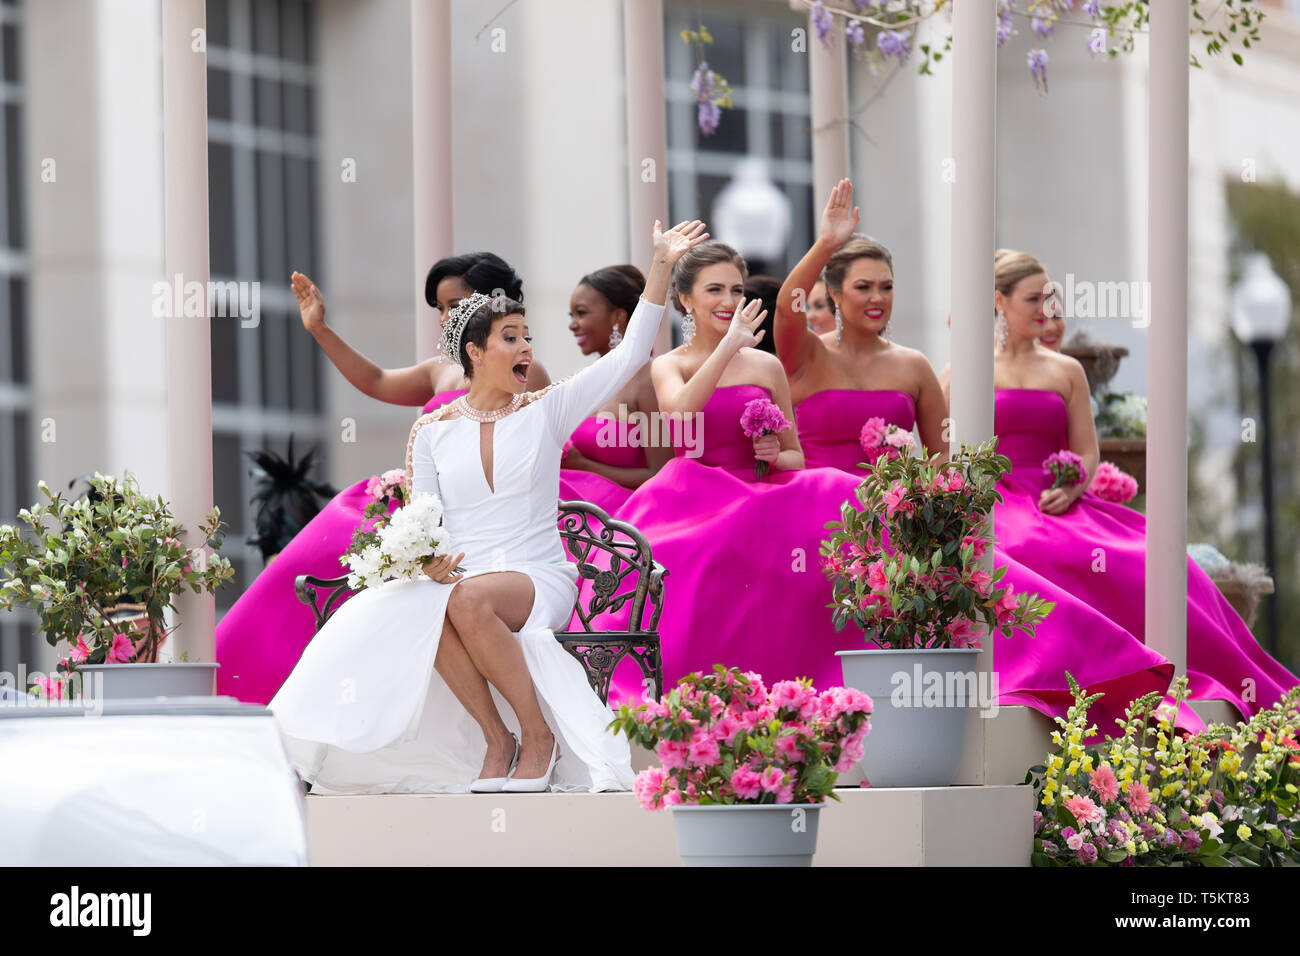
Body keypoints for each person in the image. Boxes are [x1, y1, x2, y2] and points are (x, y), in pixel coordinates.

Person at [268, 220, 709, 794]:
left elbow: (627, 356)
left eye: (528, 336)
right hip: (466, 578)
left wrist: (661, 265)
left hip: (537, 576)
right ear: (475, 352)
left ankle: (538, 737)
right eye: (511, 338)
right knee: (408, 603)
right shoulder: (431, 431)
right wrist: (426, 561)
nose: (528, 347)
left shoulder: (547, 410)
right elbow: (427, 521)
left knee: (466, 600)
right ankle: (495, 739)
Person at [944, 249, 1297, 724]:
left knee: (1154, 559)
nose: (1047, 311)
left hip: (1062, 500)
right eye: (1034, 299)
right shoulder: (963, 372)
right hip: (996, 502)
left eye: (1052, 299)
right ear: (998, 302)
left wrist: (1073, 485)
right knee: (1024, 545)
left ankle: (1189, 675)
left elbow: (1088, 452)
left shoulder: (1066, 370)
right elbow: (944, 452)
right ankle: (1066, 676)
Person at [215, 254, 549, 705]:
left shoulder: (528, 372)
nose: (447, 317)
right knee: (316, 550)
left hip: (479, 518)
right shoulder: (440, 370)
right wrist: (318, 327)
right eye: (441, 308)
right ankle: (253, 685)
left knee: (349, 548)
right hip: (422, 509)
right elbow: (375, 380)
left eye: (456, 304)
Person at [600, 240, 867, 703]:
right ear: (685, 299)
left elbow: (795, 455)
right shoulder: (669, 364)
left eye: (736, 290)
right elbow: (680, 417)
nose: (728, 302)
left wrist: (769, 454)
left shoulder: (766, 365)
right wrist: (725, 349)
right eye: (714, 290)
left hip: (763, 492)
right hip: (694, 496)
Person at [775, 179, 947, 472]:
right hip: (817, 508)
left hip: (893, 512)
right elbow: (786, 307)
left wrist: (917, 500)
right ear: (835, 294)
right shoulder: (808, 354)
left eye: (887, 287)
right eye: (863, 287)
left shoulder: (915, 365)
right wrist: (826, 244)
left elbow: (942, 456)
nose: (877, 298)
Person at [561, 265, 672, 513]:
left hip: (624, 524)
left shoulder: (649, 379)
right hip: (569, 517)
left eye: (581, 313)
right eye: (571, 316)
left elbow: (662, 475)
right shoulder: (580, 380)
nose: (573, 325)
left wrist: (583, 465)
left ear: (617, 317)